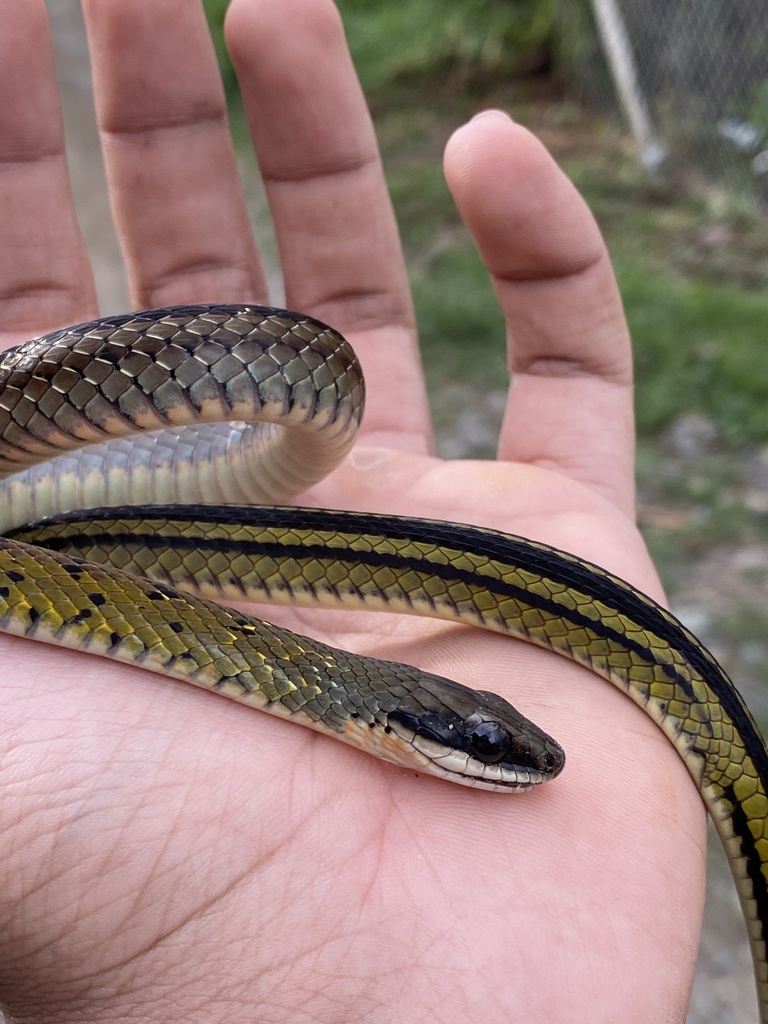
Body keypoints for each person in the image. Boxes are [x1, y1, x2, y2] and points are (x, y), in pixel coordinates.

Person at [0, 1, 704, 1021]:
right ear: (394, 718)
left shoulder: (333, 690)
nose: (505, 753)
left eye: (482, 738)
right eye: (478, 738)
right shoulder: (331, 690)